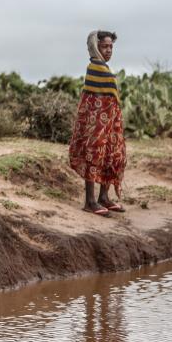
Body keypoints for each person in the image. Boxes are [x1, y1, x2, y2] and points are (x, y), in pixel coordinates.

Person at [68, 30, 127, 216]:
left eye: (111, 47)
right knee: (94, 156)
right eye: (104, 46)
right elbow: (92, 101)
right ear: (96, 47)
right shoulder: (94, 68)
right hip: (95, 125)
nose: (109, 50)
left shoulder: (105, 68)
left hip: (109, 124)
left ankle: (104, 198)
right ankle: (89, 201)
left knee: (111, 156)